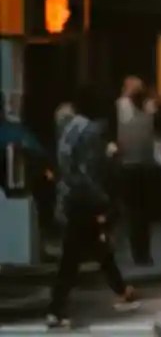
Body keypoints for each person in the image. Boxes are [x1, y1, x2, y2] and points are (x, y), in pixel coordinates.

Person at [47, 87, 140, 328]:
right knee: (73, 256)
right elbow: (90, 170)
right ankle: (56, 309)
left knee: (96, 247)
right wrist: (101, 197)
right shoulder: (88, 133)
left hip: (73, 200)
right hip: (84, 201)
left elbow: (68, 169)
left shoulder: (67, 134)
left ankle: (121, 289)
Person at [112, 76, 157, 266]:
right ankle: (142, 252)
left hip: (130, 165)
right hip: (142, 164)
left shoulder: (123, 107)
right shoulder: (147, 109)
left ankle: (137, 251)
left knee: (133, 212)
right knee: (141, 213)